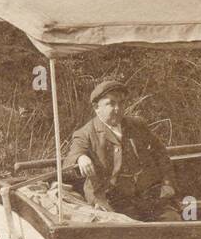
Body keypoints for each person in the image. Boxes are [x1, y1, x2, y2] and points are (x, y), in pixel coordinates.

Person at [67, 80, 179, 220]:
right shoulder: (85, 133)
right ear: (96, 107)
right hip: (113, 200)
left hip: (149, 196)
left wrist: (168, 183)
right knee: (129, 230)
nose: (117, 109)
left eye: (121, 103)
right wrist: (81, 158)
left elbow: (161, 153)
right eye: (111, 103)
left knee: (173, 222)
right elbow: (72, 157)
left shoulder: (137, 125)